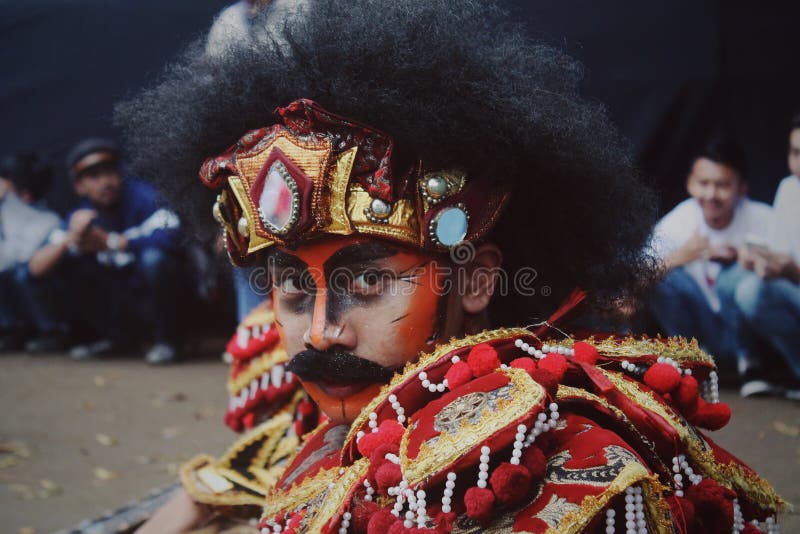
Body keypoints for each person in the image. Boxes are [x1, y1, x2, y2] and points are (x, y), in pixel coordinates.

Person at [119, 0, 784, 531]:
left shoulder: (559, 463)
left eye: (368, 282)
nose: (322, 332)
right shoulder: (346, 414)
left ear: (476, 279)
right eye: (294, 288)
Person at [29, 138, 183, 364]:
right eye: (94, 176)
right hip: (124, 305)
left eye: (110, 172)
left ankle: (168, 341)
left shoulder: (144, 198)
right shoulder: (81, 217)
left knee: (154, 259)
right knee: (69, 263)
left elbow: (177, 237)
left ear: (121, 174)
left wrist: (113, 242)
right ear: (79, 187)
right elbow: (35, 268)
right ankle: (116, 339)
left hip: (159, 299)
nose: (105, 182)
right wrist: (71, 239)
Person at [648, 138, 773, 393]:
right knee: (663, 274)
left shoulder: (763, 218)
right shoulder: (679, 221)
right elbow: (634, 277)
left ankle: (749, 363)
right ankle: (695, 361)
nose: (711, 194)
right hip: (702, 329)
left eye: (723, 185)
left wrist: (746, 260)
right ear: (689, 183)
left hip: (752, 333)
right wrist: (682, 256)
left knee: (737, 277)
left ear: (742, 188)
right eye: (703, 183)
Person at [734, 114, 800, 399]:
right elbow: (780, 253)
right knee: (748, 290)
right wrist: (759, 261)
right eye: (795, 152)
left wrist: (792, 271)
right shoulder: (789, 188)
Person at [0, 153, 70, 352]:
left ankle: (52, 330)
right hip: (11, 272)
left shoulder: (48, 218)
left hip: (39, 280)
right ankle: (11, 328)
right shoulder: (6, 204)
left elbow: (16, 259)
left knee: (25, 273)